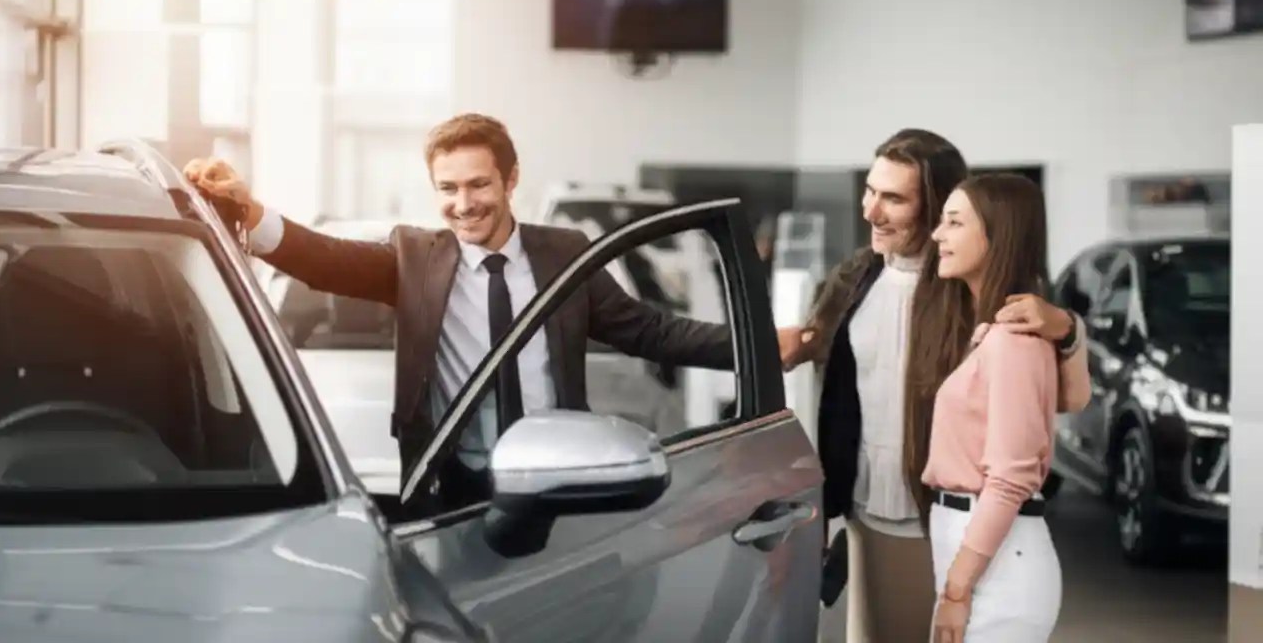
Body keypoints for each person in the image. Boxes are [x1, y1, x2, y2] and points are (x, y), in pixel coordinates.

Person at [184, 113, 735, 507]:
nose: (463, 204)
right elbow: (325, 261)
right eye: (447, 188)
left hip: (558, 482)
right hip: (451, 487)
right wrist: (251, 211)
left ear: (511, 180)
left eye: (478, 184)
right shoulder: (416, 258)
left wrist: (753, 346)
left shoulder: (564, 254)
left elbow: (648, 331)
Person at [775, 129, 1089, 642]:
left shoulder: (976, 294)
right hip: (863, 507)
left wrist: (1070, 331)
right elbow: (828, 355)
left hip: (935, 512)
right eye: (870, 191)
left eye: (893, 198)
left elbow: (1059, 397)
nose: (871, 211)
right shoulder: (857, 275)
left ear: (938, 207)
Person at [919, 173, 1063, 642]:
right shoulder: (991, 335)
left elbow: (1010, 479)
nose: (938, 235)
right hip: (977, 555)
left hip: (997, 568)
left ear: (996, 236)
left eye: (954, 223)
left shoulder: (1014, 344)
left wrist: (957, 593)